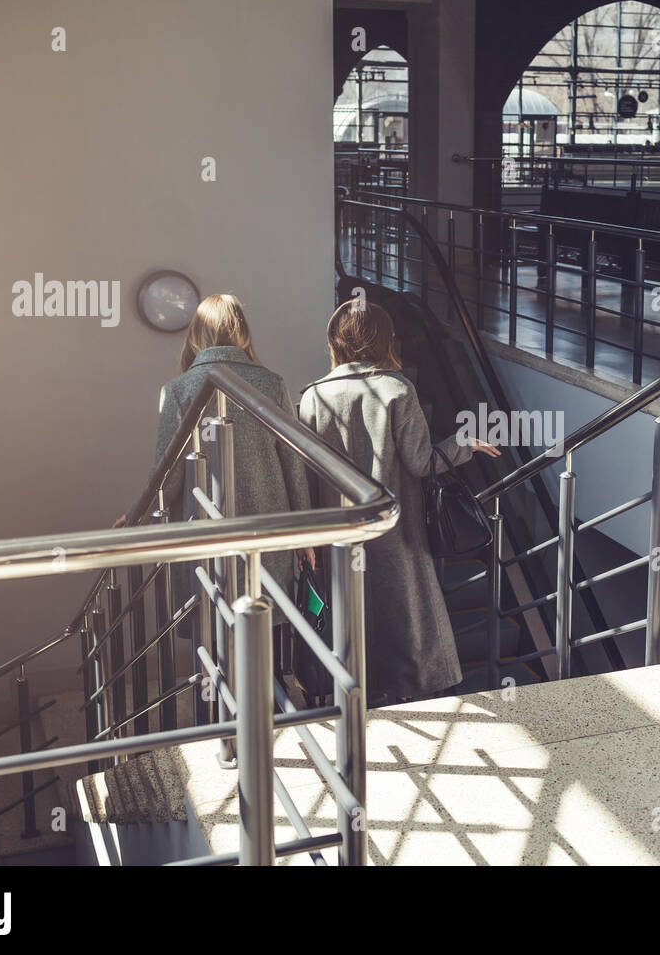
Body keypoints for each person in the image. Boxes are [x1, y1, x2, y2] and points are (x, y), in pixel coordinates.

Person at [299, 298, 500, 705]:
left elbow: (304, 471)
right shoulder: (396, 389)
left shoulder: (311, 397)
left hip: (336, 533)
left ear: (335, 341)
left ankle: (350, 687)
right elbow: (421, 461)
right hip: (394, 531)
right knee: (407, 611)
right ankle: (410, 687)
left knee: (346, 608)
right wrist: (463, 444)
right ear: (384, 339)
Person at [114, 293, 314, 624]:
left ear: (196, 333)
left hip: (206, 535)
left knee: (211, 633)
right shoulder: (272, 383)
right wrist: (305, 532)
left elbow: (169, 474)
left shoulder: (178, 390)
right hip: (267, 533)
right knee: (261, 628)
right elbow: (293, 464)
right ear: (241, 331)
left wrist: (136, 516)